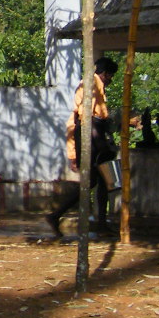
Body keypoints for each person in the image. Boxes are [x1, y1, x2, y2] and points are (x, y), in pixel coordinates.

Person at [46, 55, 119, 237]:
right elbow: (86, 116)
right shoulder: (92, 85)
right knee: (97, 180)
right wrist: (98, 143)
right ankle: (57, 215)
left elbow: (77, 120)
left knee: (99, 180)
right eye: (110, 75)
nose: (110, 79)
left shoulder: (91, 84)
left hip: (90, 134)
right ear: (104, 73)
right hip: (91, 134)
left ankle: (95, 219)